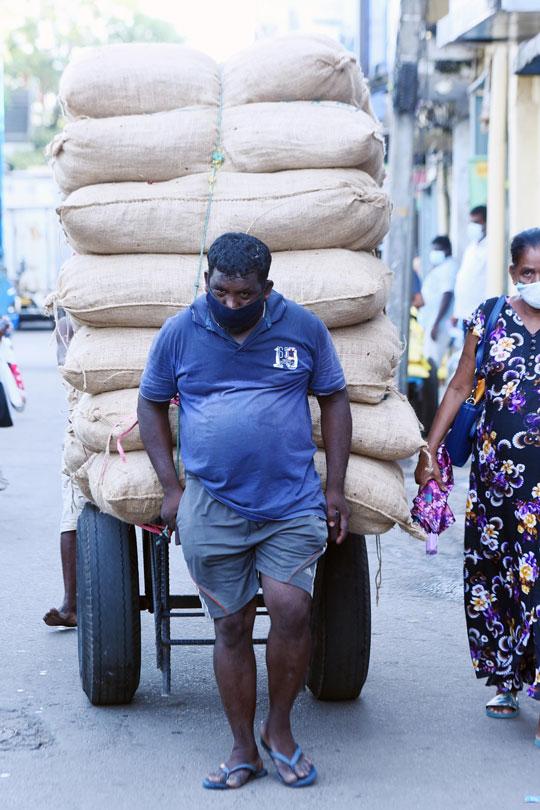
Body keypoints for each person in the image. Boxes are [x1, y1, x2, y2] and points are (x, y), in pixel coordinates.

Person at [138, 232, 352, 789]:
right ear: (207, 282)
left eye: (245, 294)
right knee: (231, 624)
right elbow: (151, 402)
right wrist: (171, 486)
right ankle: (242, 748)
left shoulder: (302, 329)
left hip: (291, 500)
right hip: (212, 503)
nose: (231, 303)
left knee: (290, 611)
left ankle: (277, 730)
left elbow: (333, 397)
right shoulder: (180, 332)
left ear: (267, 289)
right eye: (221, 292)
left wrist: (336, 488)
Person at [415, 227, 540, 743]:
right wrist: (430, 449)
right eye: (529, 273)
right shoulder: (488, 317)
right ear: (513, 273)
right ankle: (506, 680)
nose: (536, 282)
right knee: (496, 578)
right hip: (496, 483)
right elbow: (462, 385)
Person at [43, 314, 86, 628]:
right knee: (73, 504)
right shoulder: (71, 320)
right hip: (88, 421)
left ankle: (71, 603)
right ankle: (70, 603)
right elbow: (67, 370)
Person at [417, 235, 457, 371]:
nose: (433, 253)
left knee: (432, 363)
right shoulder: (442, 267)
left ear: (446, 250)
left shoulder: (449, 267)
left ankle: (431, 392)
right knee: (429, 361)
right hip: (433, 322)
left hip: (439, 324)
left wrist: (436, 323)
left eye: (437, 250)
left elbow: (447, 294)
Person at [453, 205, 488, 330]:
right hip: (465, 313)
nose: (473, 226)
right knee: (467, 347)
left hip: (481, 314)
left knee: (475, 348)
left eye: (476, 222)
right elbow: (464, 278)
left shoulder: (491, 247)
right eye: (471, 222)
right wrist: (456, 312)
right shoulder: (471, 247)